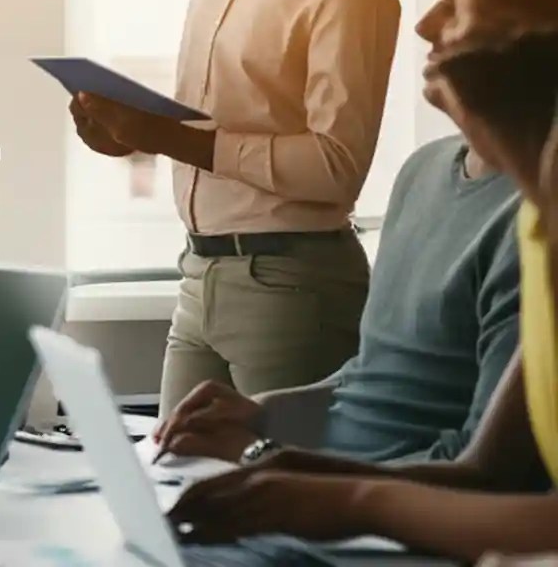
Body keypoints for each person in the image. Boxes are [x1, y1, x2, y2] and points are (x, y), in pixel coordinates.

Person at [165, 0, 558, 562]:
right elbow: (487, 468)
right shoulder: (466, 188)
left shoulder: (524, 213)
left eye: (456, 6)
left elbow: (494, 486)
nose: (425, 27)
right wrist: (270, 443)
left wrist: (288, 471)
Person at [71, 0, 402, 412]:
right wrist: (126, 136)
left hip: (293, 285)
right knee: (179, 479)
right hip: (199, 274)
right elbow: (214, 122)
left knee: (283, 492)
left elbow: (337, 167)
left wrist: (169, 139)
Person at [153, 129, 520, 464]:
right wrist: (260, 413)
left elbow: (482, 470)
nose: (431, 50)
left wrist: (265, 460)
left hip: (372, 507)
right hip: (321, 476)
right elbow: (369, 377)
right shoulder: (423, 169)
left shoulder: (532, 215)